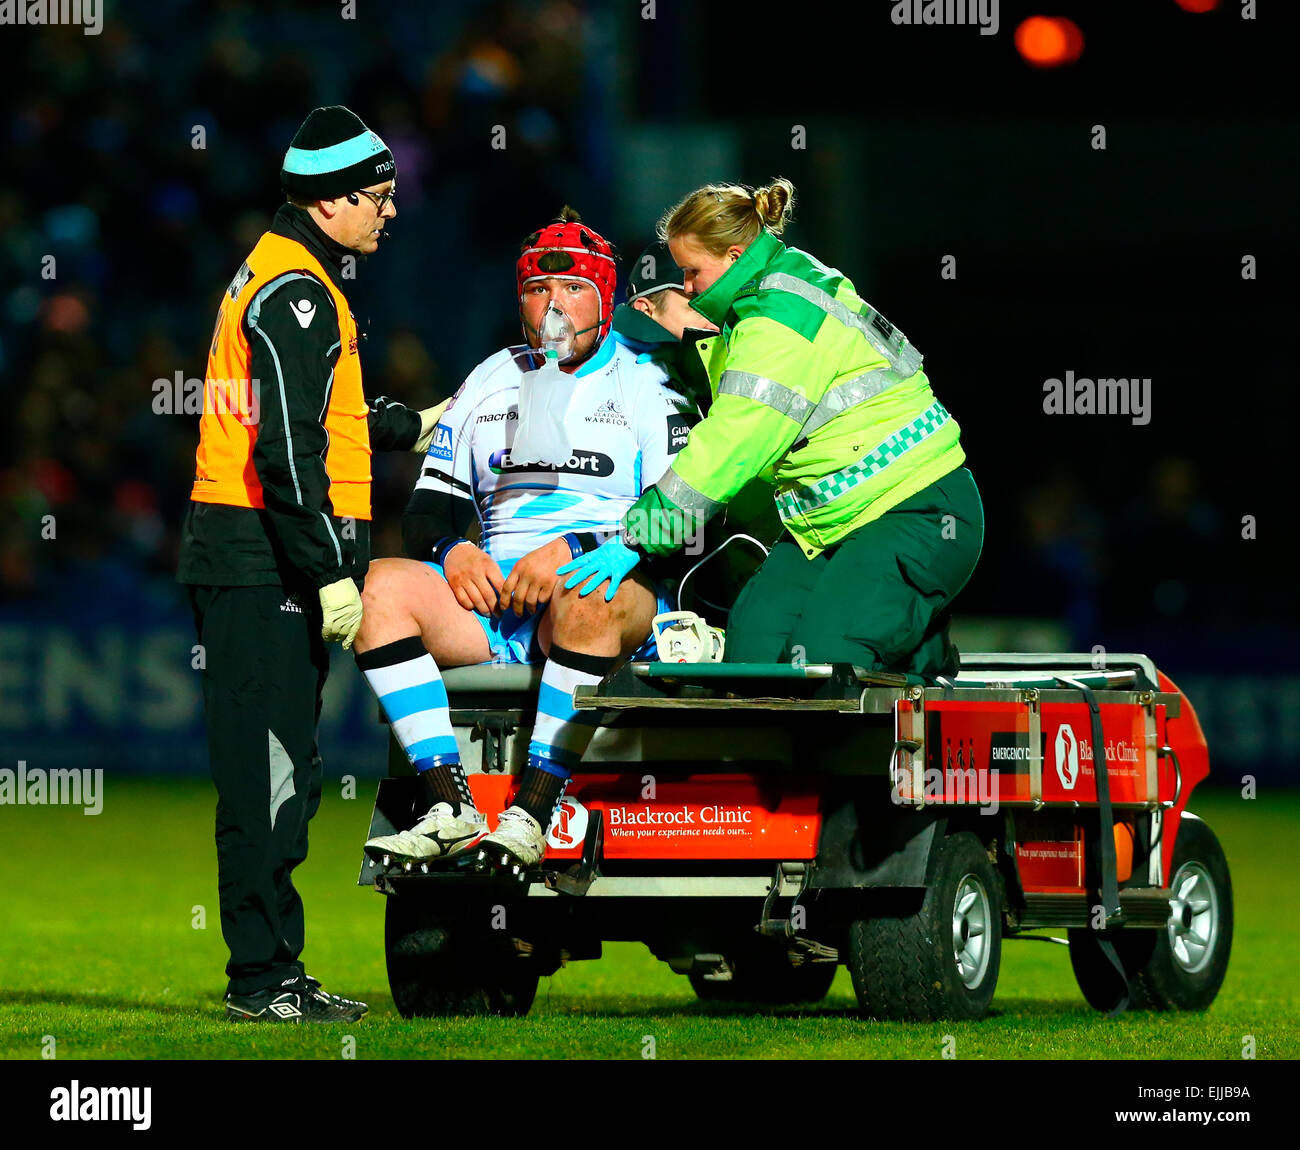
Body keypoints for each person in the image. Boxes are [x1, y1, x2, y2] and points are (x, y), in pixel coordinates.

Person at [177, 106, 444, 1023]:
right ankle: (261, 981)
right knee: (270, 778)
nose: (389, 212)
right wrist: (328, 567)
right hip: (262, 560)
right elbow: (286, 449)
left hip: (252, 554)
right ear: (330, 202)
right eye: (378, 195)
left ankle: (272, 971)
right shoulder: (296, 293)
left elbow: (310, 422)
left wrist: (407, 425)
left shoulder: (287, 276)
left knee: (281, 769)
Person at [356, 209, 698, 874]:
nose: (554, 306)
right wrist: (455, 552)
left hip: (604, 578)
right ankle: (449, 805)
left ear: (605, 301)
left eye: (573, 289)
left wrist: (575, 546)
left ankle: (533, 815)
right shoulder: (489, 379)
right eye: (539, 290)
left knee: (584, 598)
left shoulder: (648, 384)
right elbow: (428, 511)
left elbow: (683, 521)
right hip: (498, 598)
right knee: (376, 591)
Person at [558, 179, 984, 677]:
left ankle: (922, 657)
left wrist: (636, 538)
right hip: (831, 523)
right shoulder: (758, 305)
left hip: (915, 508)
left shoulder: (777, 320)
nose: (688, 287)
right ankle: (902, 632)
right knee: (752, 657)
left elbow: (728, 449)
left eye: (692, 272)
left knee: (827, 665)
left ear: (735, 255)